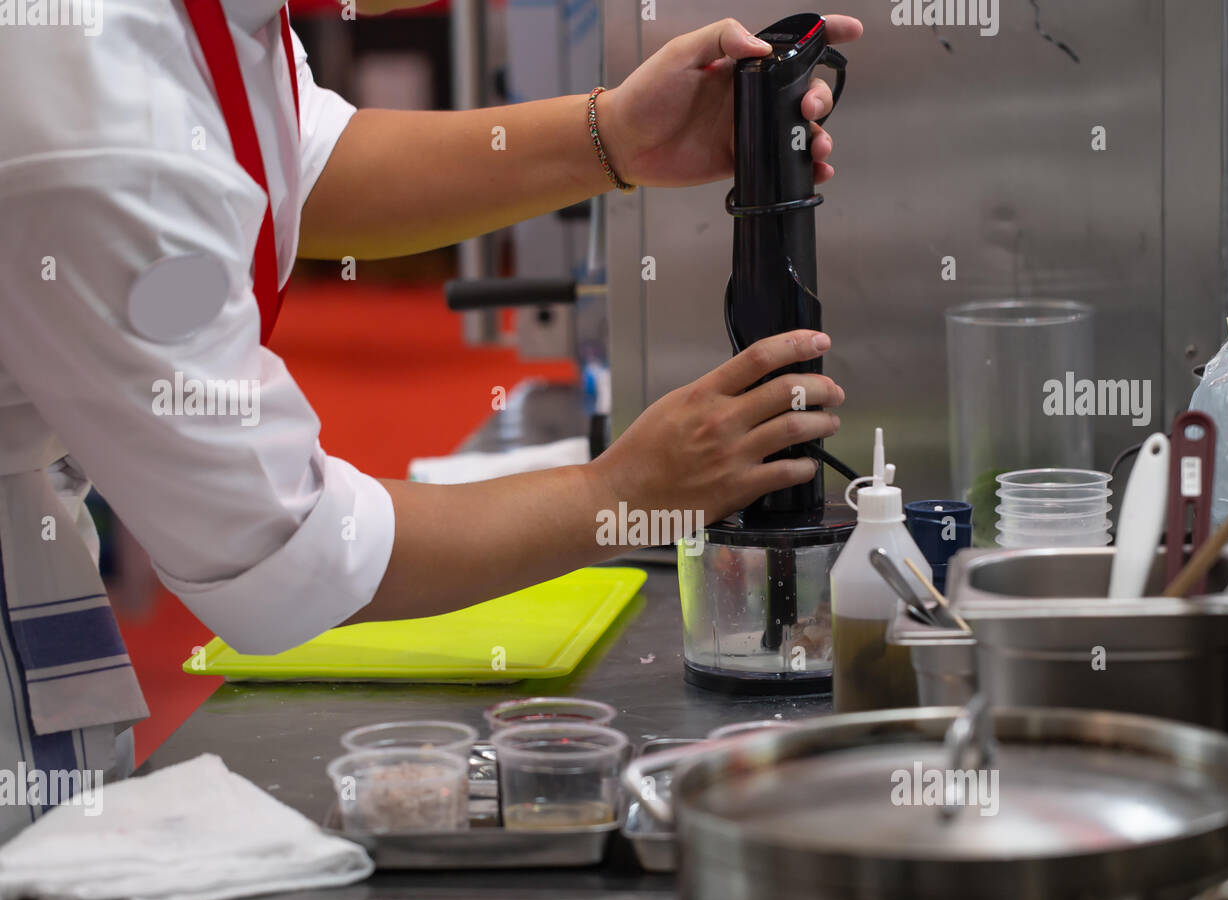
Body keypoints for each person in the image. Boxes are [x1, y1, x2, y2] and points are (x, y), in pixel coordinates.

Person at [0, 3, 862, 841]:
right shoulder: (98, 108)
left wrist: (613, 136)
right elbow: (284, 546)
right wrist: (626, 493)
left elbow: (299, 161)